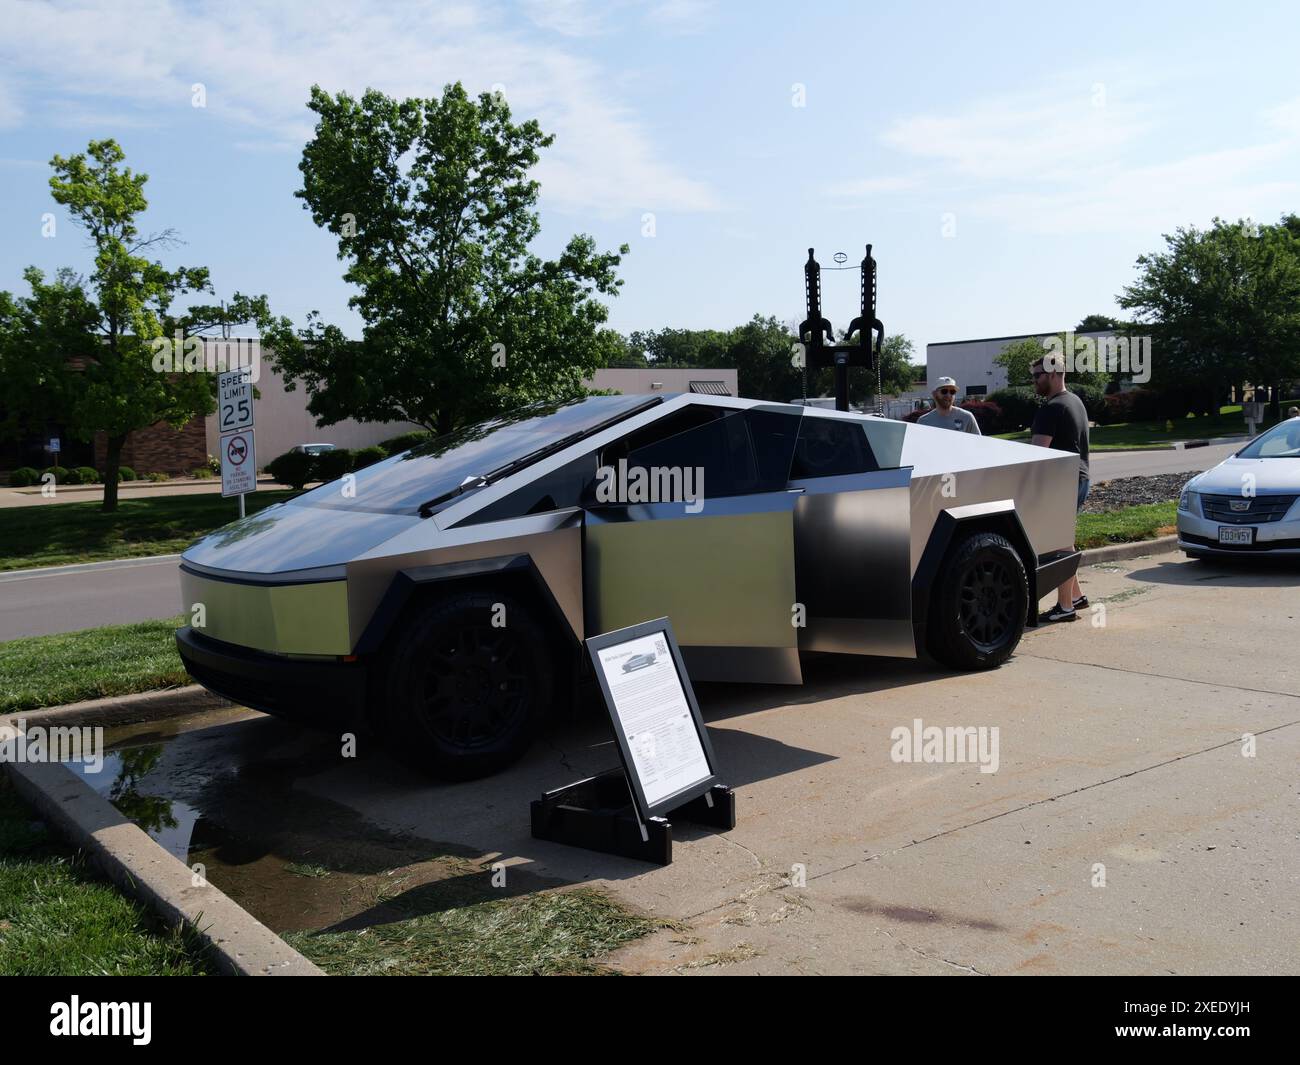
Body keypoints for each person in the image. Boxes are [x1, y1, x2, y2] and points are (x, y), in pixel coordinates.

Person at [1030, 355, 1090, 623]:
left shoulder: (1052, 408)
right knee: (1065, 539)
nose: (1034, 381)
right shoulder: (1075, 402)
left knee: (1059, 543)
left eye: (1037, 376)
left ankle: (1065, 607)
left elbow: (1036, 454)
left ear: (1053, 374)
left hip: (1062, 483)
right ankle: (1076, 595)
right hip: (1080, 478)